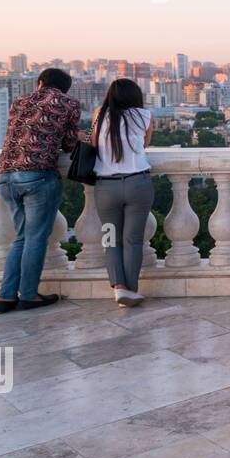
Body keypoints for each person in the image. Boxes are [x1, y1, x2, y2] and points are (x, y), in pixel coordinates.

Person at [0, 67, 82, 313]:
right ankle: (29, 295)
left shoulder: (19, 101)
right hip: (37, 176)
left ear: (40, 82)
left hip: (6, 175)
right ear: (65, 88)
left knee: (20, 237)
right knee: (35, 238)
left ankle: (6, 296)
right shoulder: (69, 103)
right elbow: (70, 144)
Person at [91, 79, 155, 307]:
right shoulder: (144, 116)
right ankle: (130, 289)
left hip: (106, 188)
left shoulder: (99, 114)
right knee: (132, 240)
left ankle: (119, 287)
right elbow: (145, 145)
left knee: (110, 239)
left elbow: (93, 142)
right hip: (138, 184)